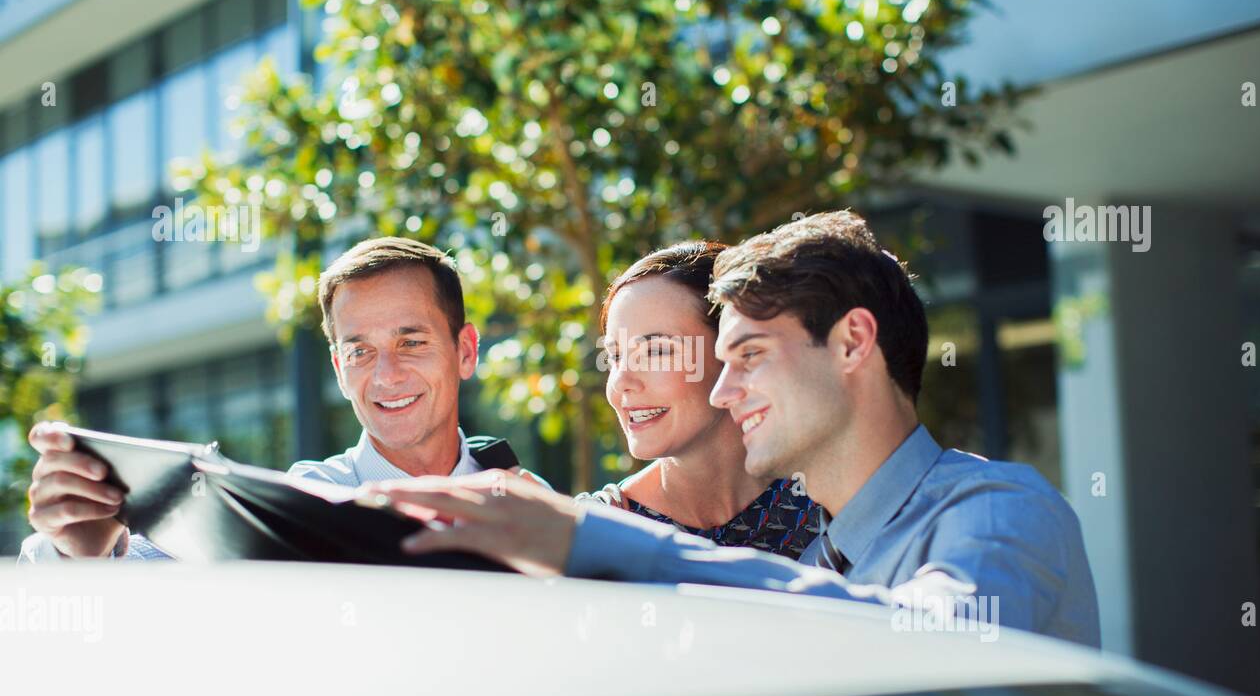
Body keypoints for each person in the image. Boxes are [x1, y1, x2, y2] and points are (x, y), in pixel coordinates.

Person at [366, 211, 1101, 646]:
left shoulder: (997, 509)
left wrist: (606, 546)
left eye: (746, 355)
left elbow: (929, 646)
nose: (723, 388)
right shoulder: (824, 558)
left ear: (851, 344)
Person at [20, 236, 545, 563]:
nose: (387, 375)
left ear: (466, 351)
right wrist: (75, 551)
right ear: (340, 370)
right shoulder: (305, 502)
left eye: (412, 342)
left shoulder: (528, 495)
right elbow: (170, 564)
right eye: (359, 351)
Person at [581, 241, 821, 559]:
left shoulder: (829, 501)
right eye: (615, 356)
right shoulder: (597, 528)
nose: (621, 382)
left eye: (656, 352)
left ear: (735, 351)